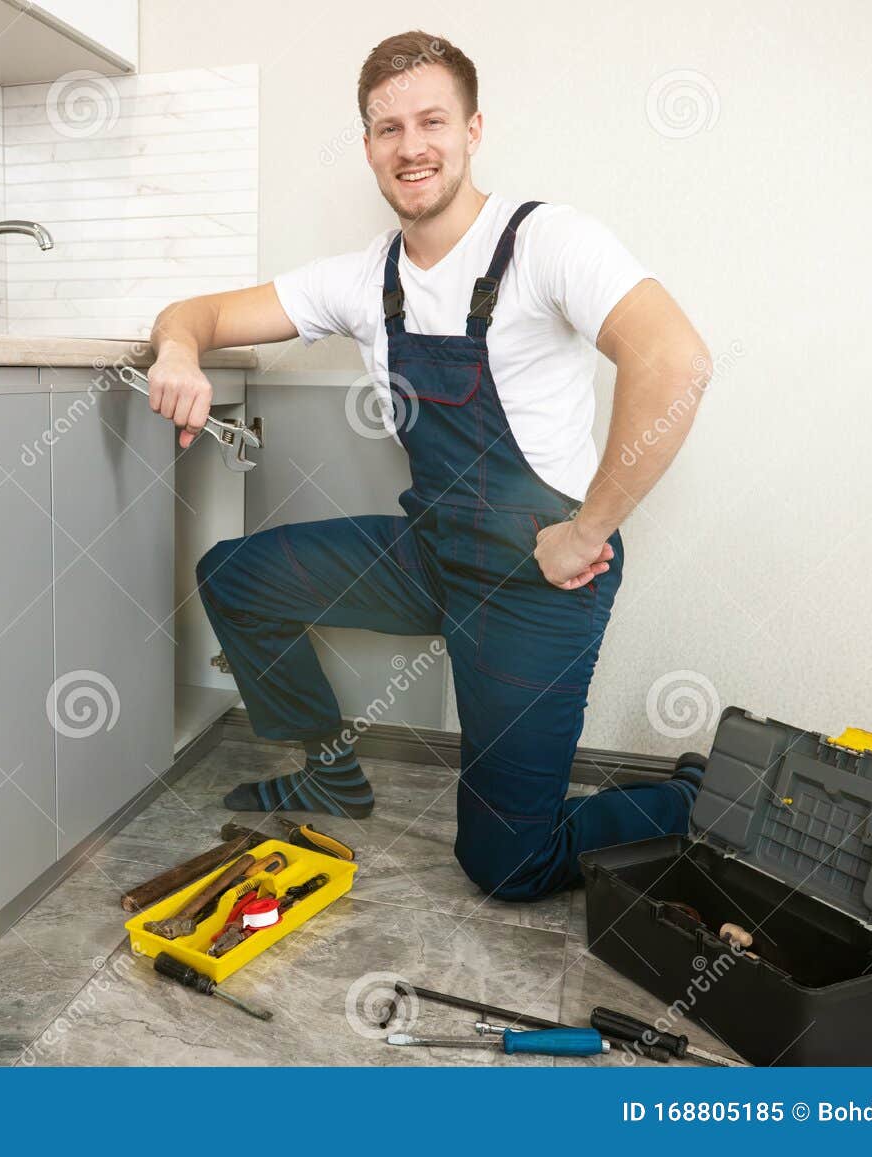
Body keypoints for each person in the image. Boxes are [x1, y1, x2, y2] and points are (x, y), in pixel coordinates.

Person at [144, 30, 710, 901]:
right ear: (368, 145)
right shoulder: (364, 277)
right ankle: (331, 770)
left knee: (507, 864)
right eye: (386, 128)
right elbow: (200, 310)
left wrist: (588, 529)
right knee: (235, 575)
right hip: (434, 554)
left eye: (432, 121)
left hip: (539, 580)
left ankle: (694, 800)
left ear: (474, 129)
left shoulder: (545, 240)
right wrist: (179, 351)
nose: (411, 146)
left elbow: (675, 362)